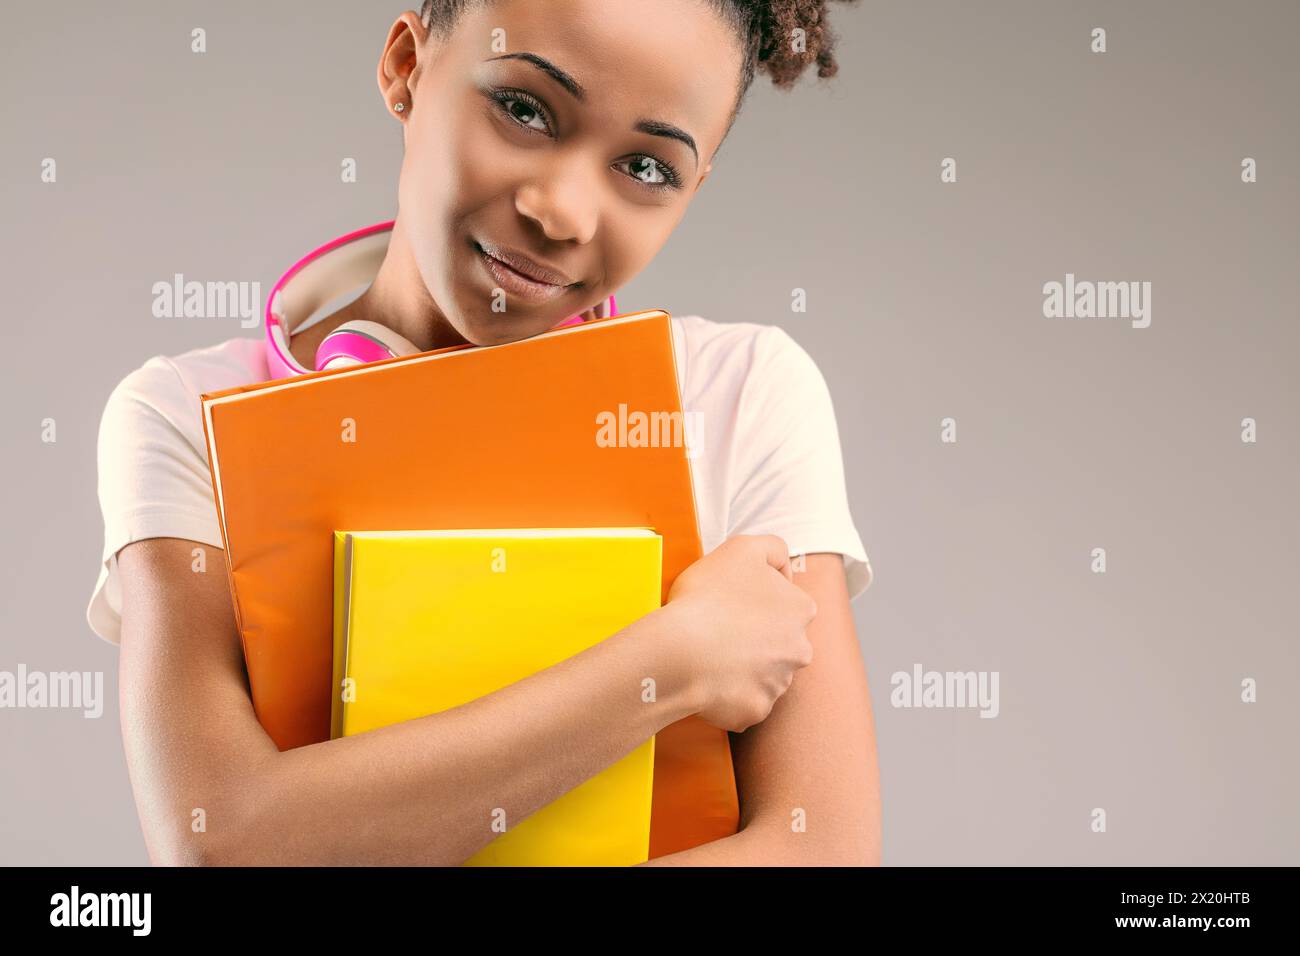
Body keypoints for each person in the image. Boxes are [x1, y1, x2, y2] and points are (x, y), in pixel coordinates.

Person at [88, 0, 880, 865]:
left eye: (648, 168)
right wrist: (669, 662)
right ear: (405, 67)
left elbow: (823, 850)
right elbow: (220, 843)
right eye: (526, 109)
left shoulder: (742, 397)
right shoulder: (183, 414)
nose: (562, 212)